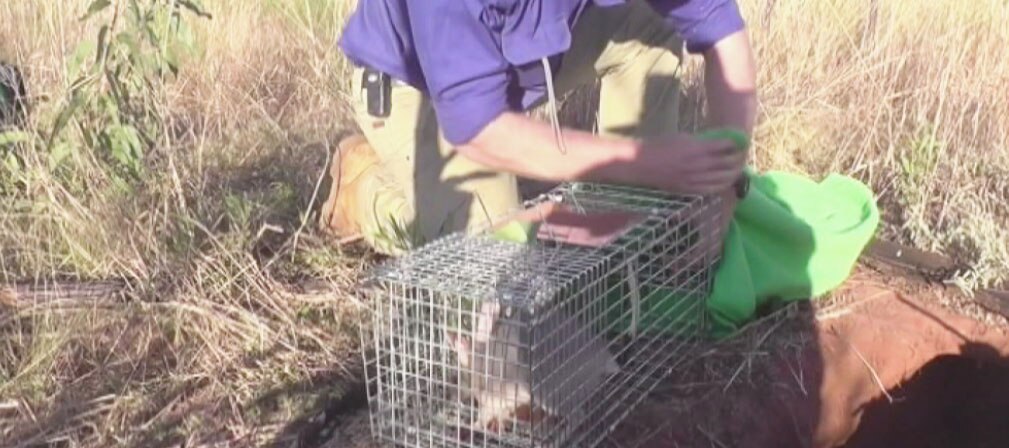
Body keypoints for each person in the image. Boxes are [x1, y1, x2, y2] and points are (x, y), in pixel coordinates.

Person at [321, 0, 757, 256]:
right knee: (496, 262)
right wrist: (643, 162)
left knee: (651, 24)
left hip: (516, 65)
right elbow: (479, 129)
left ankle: (629, 228)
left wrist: (724, 186)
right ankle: (366, 195)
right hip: (418, 88)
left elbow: (721, 30)